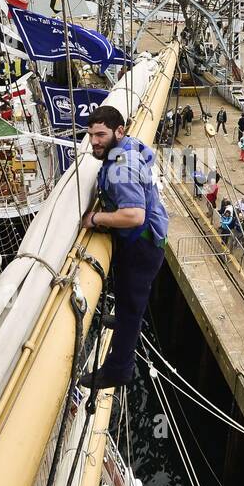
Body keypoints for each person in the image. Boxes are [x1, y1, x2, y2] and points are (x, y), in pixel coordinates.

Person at [79, 106, 169, 388]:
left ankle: (119, 369)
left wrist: (94, 218)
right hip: (143, 239)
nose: (94, 141)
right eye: (91, 134)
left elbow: (134, 215)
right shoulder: (126, 148)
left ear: (119, 132)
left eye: (101, 135)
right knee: (129, 301)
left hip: (142, 245)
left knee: (131, 309)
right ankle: (123, 321)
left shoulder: (121, 167)